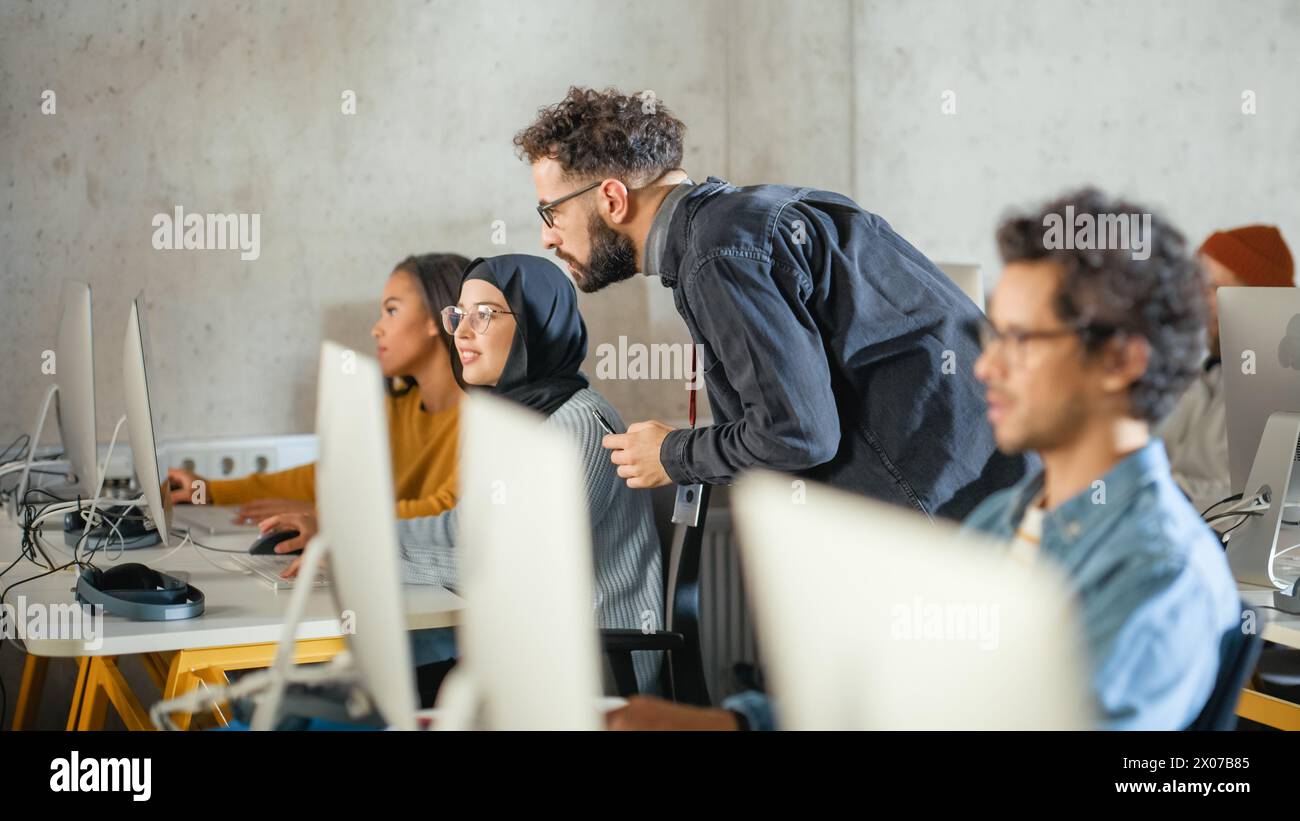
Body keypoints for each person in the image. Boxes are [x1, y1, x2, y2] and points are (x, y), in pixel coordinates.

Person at [607, 189, 1241, 731]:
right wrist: (733, 723)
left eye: (1020, 341)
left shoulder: (1156, 574)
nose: (985, 366)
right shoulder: (1006, 519)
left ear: (1121, 360)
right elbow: (902, 689)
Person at [513, 86, 1030, 520]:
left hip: (950, 517)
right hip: (992, 495)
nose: (546, 239)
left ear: (612, 199)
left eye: (549, 212)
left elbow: (798, 435)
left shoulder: (716, 254)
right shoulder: (747, 219)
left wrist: (673, 454)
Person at [264, 254, 665, 694]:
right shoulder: (512, 418)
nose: (463, 331)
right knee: (325, 693)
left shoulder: (578, 424)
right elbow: (459, 527)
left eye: (485, 315)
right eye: (459, 315)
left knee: (341, 699)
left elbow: (516, 566)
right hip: (522, 654)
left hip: (586, 671)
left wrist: (370, 561)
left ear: (539, 324)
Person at [167, 253, 467, 522]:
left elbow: (447, 515)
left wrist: (323, 517)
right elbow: (325, 477)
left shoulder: (486, 420)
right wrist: (212, 490)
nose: (376, 329)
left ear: (437, 318)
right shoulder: (396, 409)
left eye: (391, 311)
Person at [1158, 225, 1295, 515]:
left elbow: (1254, 494)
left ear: (1256, 301)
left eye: (1212, 288)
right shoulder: (1202, 375)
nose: (1197, 301)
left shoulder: (1282, 389)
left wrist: (1159, 489)